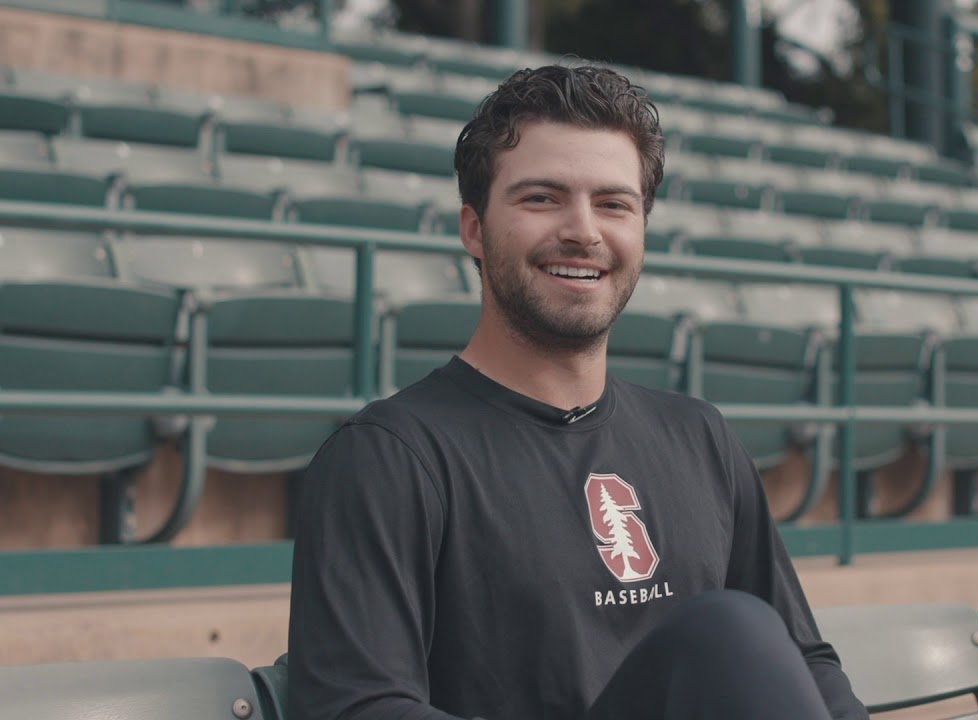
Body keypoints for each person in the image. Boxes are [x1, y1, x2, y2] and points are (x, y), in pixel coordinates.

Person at [288, 62, 868, 720]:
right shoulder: (388, 459)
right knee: (727, 634)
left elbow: (803, 659)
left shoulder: (700, 437)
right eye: (541, 198)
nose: (584, 231)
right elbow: (358, 707)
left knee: (742, 637)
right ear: (473, 229)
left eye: (614, 204)